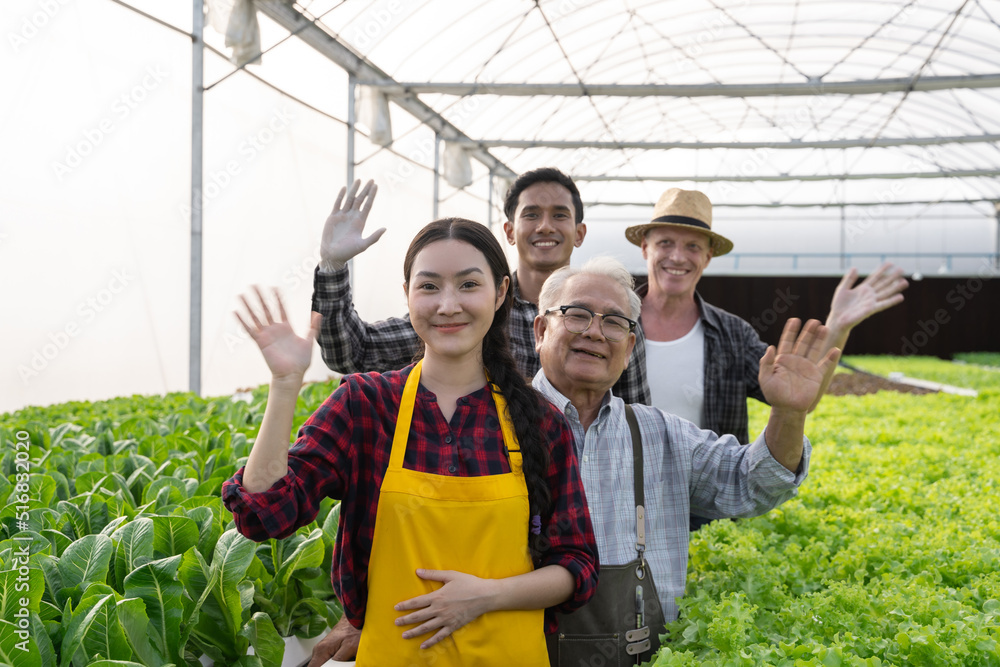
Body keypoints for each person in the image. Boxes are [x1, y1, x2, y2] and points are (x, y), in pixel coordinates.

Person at [223, 187, 598, 666]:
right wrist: (284, 385)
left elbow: (577, 567)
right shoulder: (366, 406)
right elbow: (263, 515)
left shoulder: (541, 422)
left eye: (468, 285)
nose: (447, 305)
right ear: (407, 295)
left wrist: (485, 596)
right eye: (428, 286)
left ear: (500, 292)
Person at [531, 256, 840, 664]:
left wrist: (789, 412)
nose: (594, 332)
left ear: (629, 348)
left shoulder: (661, 435)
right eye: (577, 315)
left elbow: (756, 484)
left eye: (613, 323)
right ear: (541, 329)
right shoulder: (494, 426)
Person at [627, 188, 907, 531]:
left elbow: (800, 398)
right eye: (665, 243)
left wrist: (838, 325)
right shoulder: (612, 324)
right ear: (645, 248)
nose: (677, 256)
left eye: (693, 246)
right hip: (622, 497)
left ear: (708, 256)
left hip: (701, 508)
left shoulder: (731, 333)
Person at [309, 169, 651, 405]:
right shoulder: (472, 313)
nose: (545, 226)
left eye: (560, 215)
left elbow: (631, 414)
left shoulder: (609, 322)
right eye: (531, 215)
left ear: (579, 232)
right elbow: (350, 352)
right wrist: (332, 266)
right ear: (509, 231)